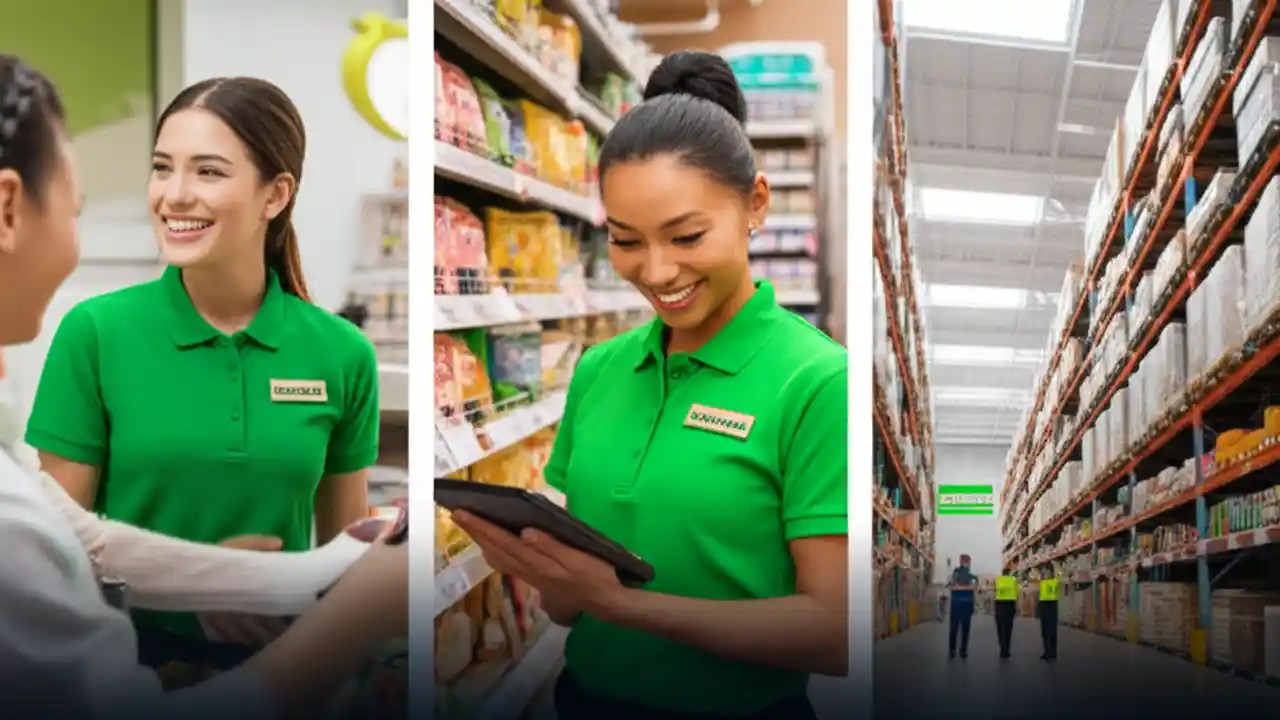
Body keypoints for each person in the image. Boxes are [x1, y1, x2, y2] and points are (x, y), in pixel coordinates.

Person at [0, 54, 405, 719]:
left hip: (291, 668)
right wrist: (194, 589)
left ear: (275, 196)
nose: (172, 194)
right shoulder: (96, 332)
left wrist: (273, 586)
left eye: (207, 171)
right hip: (130, 658)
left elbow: (340, 557)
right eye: (162, 167)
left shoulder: (341, 353)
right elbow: (65, 558)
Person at [451, 50, 848, 719]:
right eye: (626, 241)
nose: (658, 272)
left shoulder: (817, 381)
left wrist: (621, 603)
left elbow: (832, 631)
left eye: (687, 235)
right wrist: (548, 570)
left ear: (756, 204)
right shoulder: (599, 370)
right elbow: (571, 611)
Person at [947, 554, 977, 659]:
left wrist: (959, 587)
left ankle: (960, 650)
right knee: (956, 629)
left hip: (962, 604)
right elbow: (952, 586)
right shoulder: (957, 573)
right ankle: (956, 650)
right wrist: (966, 587)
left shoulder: (971, 576)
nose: (966, 563)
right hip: (960, 604)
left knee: (963, 629)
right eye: (965, 561)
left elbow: (972, 587)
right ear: (961, 561)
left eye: (967, 561)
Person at [993, 571, 1018, 659]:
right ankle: (1006, 650)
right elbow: (1017, 592)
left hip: (999, 605)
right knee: (1007, 629)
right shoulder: (1013, 580)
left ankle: (1002, 645)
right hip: (1009, 605)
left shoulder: (998, 580)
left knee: (1000, 627)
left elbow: (995, 590)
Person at [1038, 574, 1060, 661]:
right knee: (1049, 632)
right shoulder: (1052, 582)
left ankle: (1049, 652)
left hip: (1048, 608)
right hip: (1050, 608)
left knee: (1048, 633)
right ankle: (1051, 652)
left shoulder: (1047, 583)